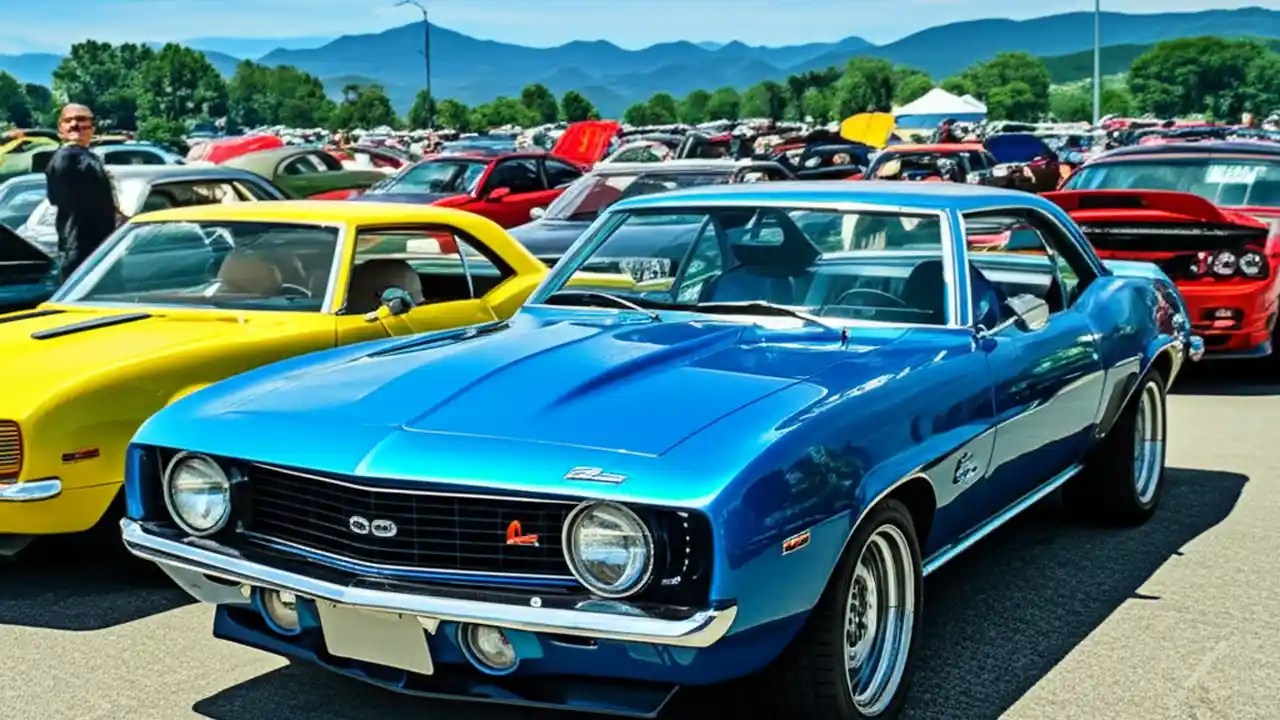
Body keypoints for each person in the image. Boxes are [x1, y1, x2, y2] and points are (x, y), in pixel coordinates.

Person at [45, 103, 118, 282]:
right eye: (68, 120)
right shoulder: (68, 156)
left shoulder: (88, 157)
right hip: (80, 249)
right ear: (60, 129)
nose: (75, 125)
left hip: (101, 246)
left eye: (81, 119)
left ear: (92, 127)